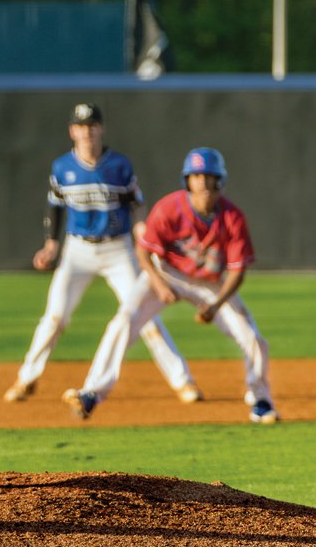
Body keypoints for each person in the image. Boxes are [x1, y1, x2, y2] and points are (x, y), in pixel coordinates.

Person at [63, 147, 278, 424]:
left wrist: (216, 305)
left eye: (208, 177)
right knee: (124, 320)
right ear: (186, 180)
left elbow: (237, 272)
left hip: (209, 284)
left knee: (252, 336)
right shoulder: (169, 208)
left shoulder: (232, 217)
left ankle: (260, 399)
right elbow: (143, 252)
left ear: (219, 181)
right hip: (165, 274)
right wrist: (158, 285)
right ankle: (92, 392)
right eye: (196, 176)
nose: (202, 184)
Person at [3, 103, 200, 405]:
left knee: (144, 318)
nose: (87, 132)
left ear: (101, 129)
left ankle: (182, 382)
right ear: (72, 131)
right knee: (55, 317)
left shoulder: (119, 166)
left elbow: (137, 203)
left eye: (92, 125)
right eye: (81, 126)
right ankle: (26, 378)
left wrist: (140, 229)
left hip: (117, 249)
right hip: (77, 251)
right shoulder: (62, 168)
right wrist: (51, 244)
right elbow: (55, 207)